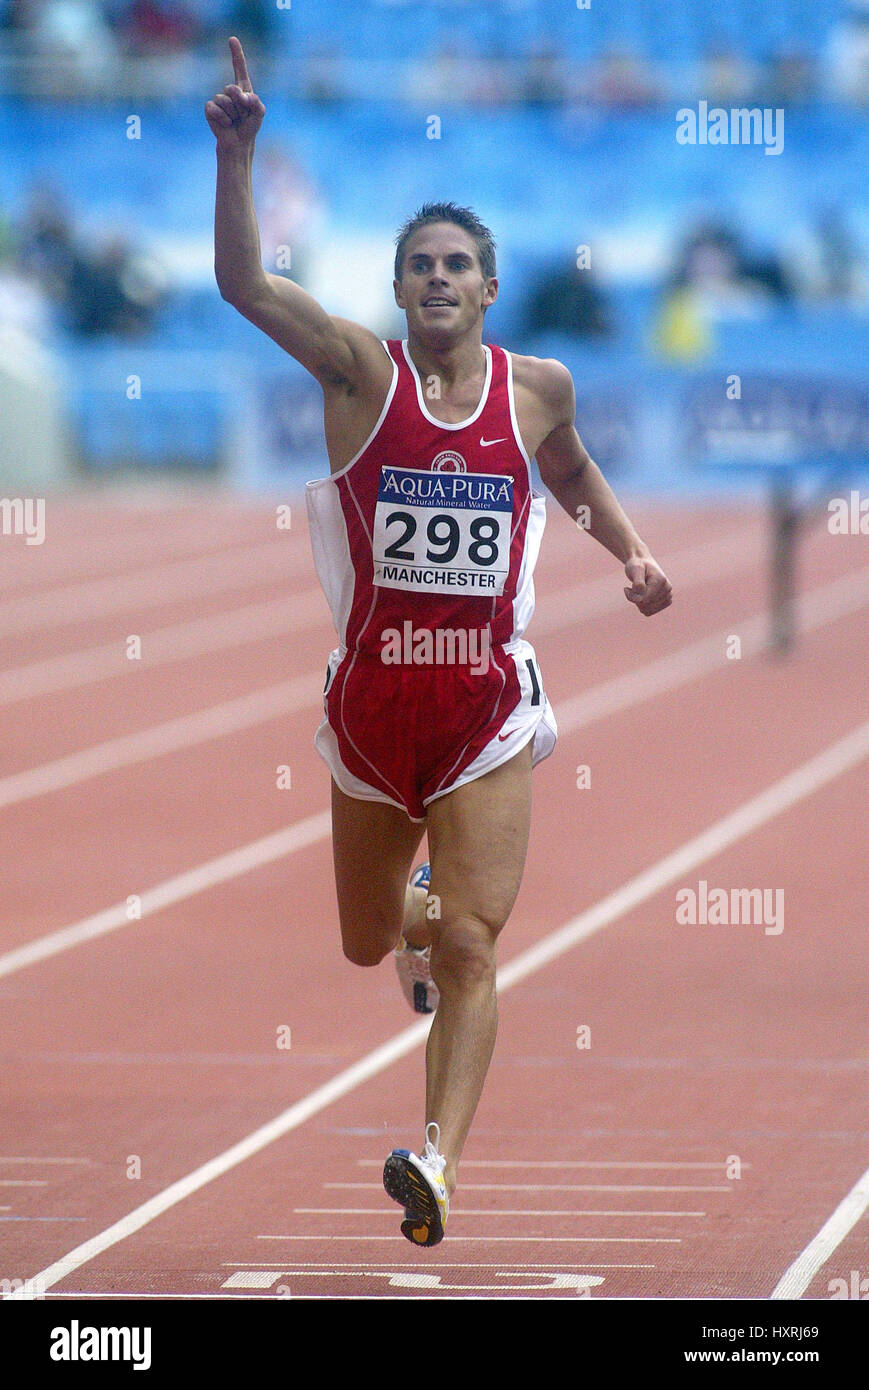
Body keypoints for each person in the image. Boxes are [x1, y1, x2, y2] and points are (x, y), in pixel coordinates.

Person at [206, 38, 673, 1248]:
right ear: (399, 286)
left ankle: (436, 1161)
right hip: (370, 707)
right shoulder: (359, 373)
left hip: (482, 709)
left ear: (488, 288)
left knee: (469, 940)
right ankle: (407, 900)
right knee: (373, 942)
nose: (435, 278)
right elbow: (247, 288)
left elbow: (566, 472)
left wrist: (624, 549)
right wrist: (236, 155)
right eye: (417, 264)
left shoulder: (538, 391)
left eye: (456, 264)